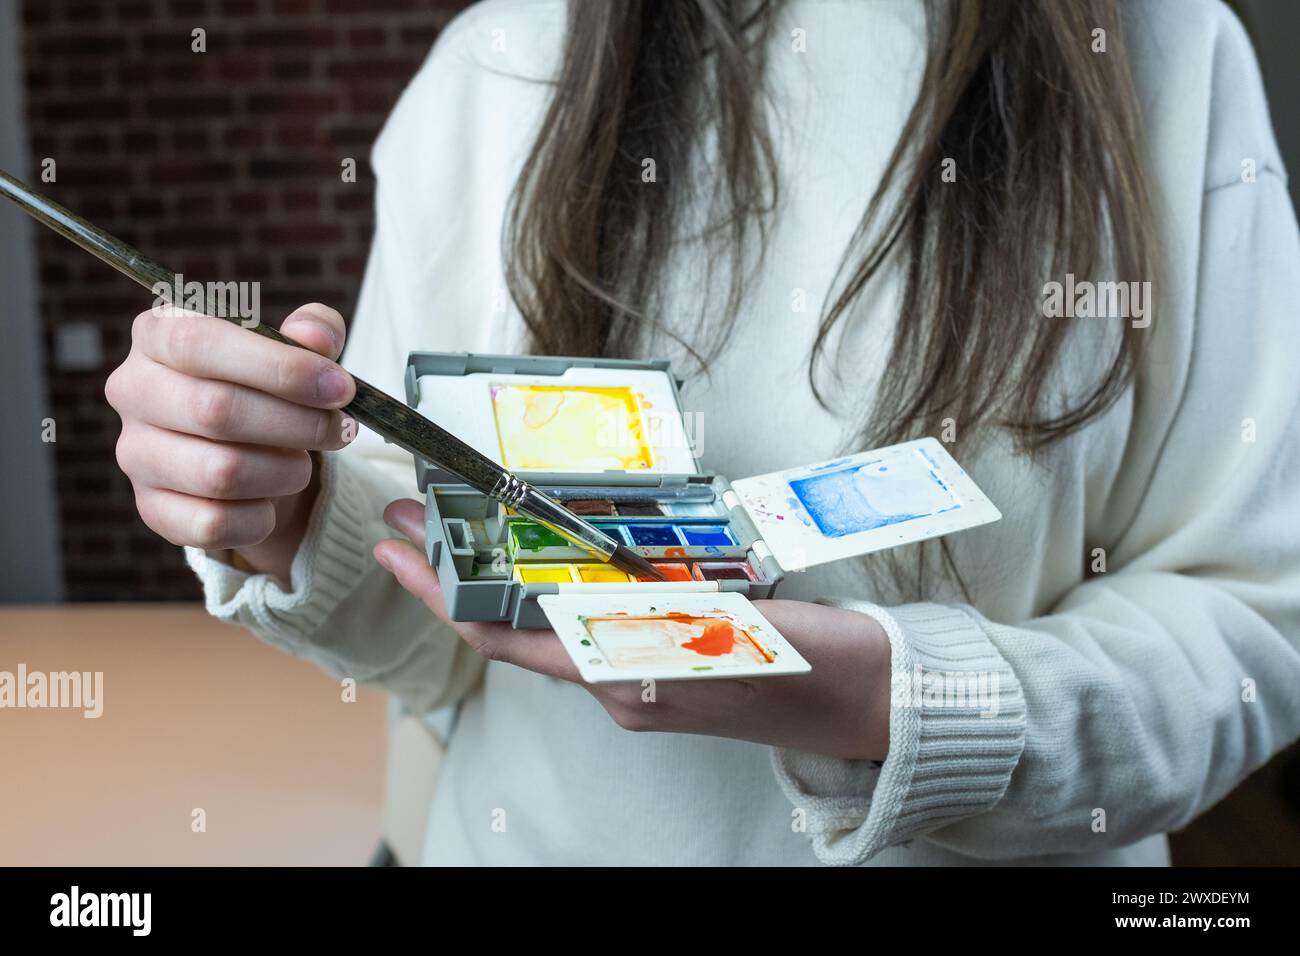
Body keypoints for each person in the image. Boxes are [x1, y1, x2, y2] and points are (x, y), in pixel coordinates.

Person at [104, 0, 1300, 865]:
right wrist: (297, 515)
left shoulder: (1168, 53)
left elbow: (1256, 623)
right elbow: (444, 655)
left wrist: (889, 705)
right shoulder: (498, 63)